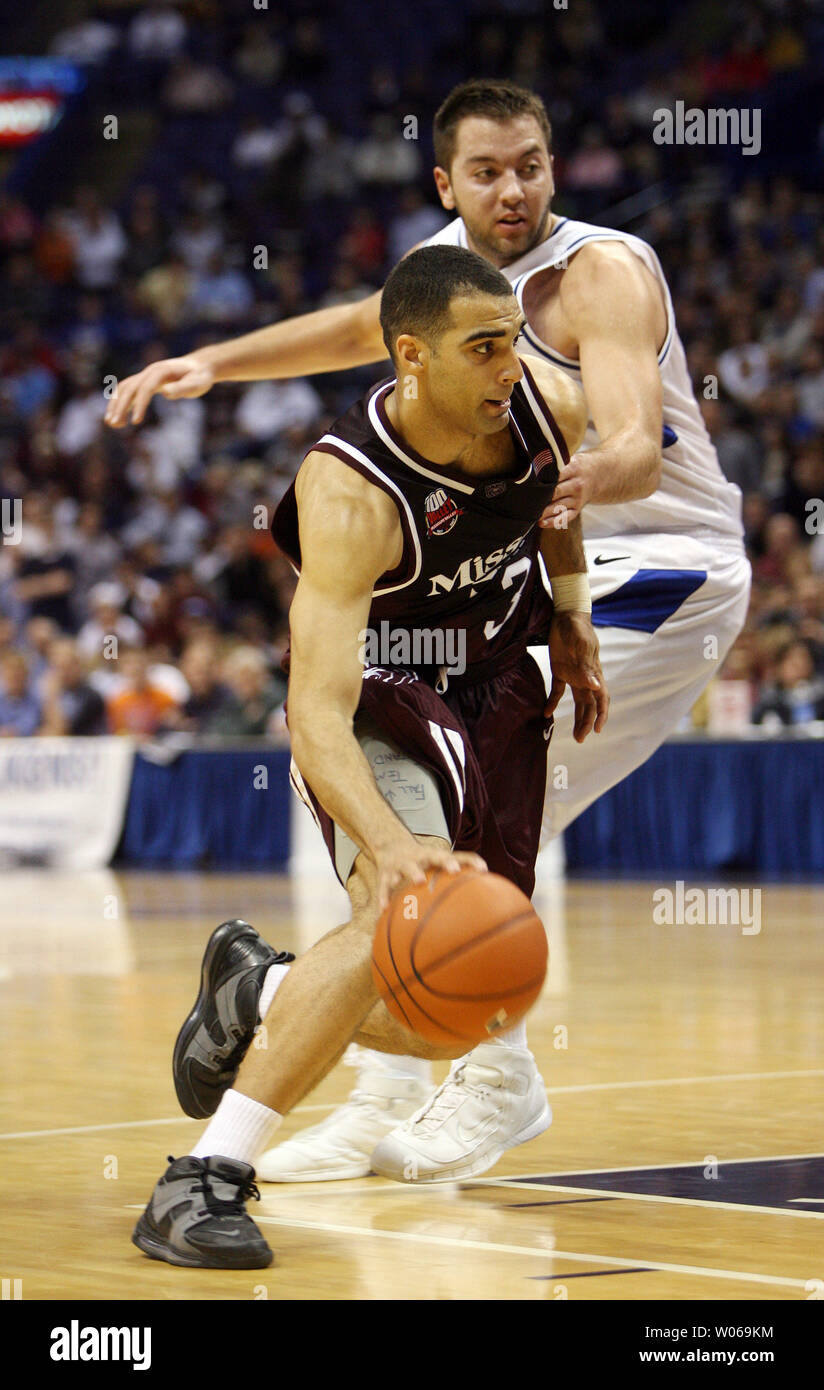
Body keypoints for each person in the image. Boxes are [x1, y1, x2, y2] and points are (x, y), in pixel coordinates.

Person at [107, 78, 751, 1185]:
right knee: (399, 819)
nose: (514, 191)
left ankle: (484, 1075)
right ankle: (379, 1082)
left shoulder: (596, 272)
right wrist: (215, 364)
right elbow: (361, 326)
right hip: (524, 567)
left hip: (656, 565)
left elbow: (636, 441)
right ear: (445, 182)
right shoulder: (446, 274)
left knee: (467, 818)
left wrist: (584, 467)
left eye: (532, 167)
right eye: (489, 173)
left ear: (554, 167)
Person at [132, 246, 606, 1268]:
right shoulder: (350, 489)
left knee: (451, 1011)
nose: (508, 368)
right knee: (402, 915)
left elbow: (552, 506)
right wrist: (388, 843)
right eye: (481, 349)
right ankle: (204, 1175)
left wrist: (570, 613)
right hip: (379, 699)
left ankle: (255, 990)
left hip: (495, 684)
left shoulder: (548, 403)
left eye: (512, 343)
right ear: (409, 357)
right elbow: (311, 712)